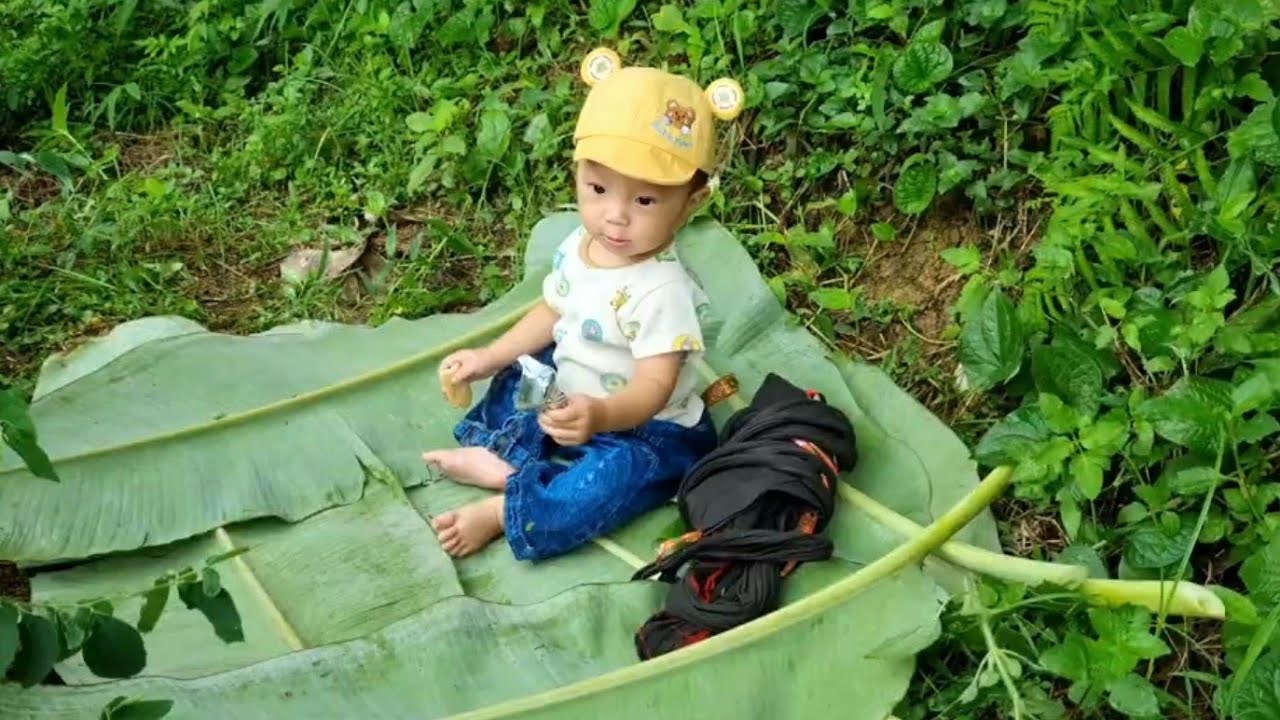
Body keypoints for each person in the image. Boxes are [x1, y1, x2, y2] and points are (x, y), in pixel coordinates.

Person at [423, 47, 746, 560]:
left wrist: (599, 415)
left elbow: (654, 387)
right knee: (523, 373)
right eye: (597, 188)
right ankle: (500, 456)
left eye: (644, 201)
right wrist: (489, 356)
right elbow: (554, 312)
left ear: (692, 203)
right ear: (577, 172)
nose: (614, 216)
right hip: (573, 393)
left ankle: (508, 508)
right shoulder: (580, 244)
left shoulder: (662, 290)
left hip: (644, 426)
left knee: (613, 481)